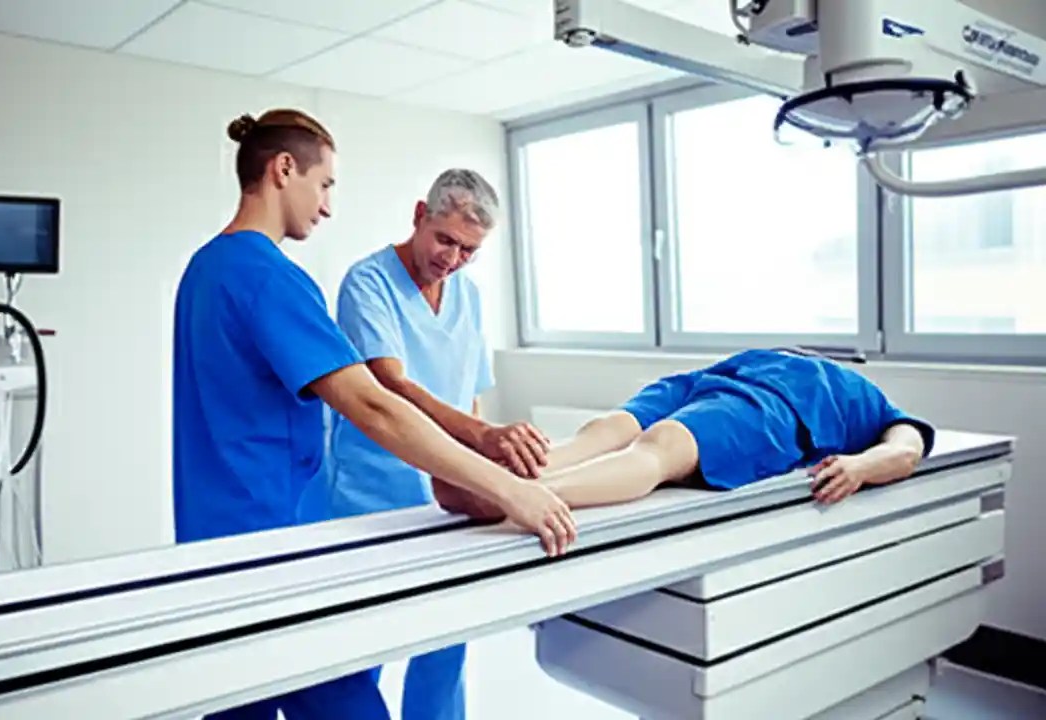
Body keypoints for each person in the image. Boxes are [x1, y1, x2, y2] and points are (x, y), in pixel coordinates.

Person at [171, 108, 577, 720]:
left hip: (217, 544)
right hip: (280, 548)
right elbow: (372, 402)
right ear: (285, 170)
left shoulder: (204, 268)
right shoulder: (272, 278)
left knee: (241, 705)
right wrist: (508, 489)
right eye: (325, 183)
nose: (328, 205)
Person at [302, 169, 548, 720]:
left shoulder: (469, 296)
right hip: (372, 497)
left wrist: (486, 468)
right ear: (419, 215)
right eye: (445, 239)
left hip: (448, 499)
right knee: (362, 649)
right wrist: (482, 439)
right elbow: (391, 384)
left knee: (445, 643)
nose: (453, 258)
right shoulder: (367, 282)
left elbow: (469, 392)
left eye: (469, 250)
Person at [432, 348, 936, 518]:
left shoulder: (860, 395)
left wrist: (859, 466)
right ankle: (501, 480)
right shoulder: (823, 374)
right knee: (606, 430)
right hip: (713, 380)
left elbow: (907, 448)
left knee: (663, 446)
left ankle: (522, 494)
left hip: (768, 408)